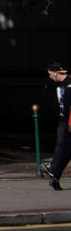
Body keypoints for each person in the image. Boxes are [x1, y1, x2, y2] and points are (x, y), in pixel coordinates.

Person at [41, 61, 71, 190]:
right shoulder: (60, 85)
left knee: (67, 150)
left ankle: (54, 172)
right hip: (65, 120)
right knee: (67, 150)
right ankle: (54, 174)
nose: (49, 77)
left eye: (49, 74)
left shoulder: (69, 85)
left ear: (55, 73)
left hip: (69, 121)